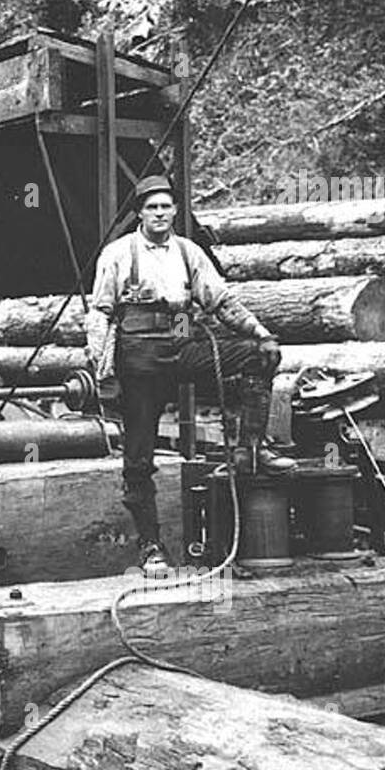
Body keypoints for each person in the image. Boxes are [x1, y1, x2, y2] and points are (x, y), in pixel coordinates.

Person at [85, 174, 293, 575]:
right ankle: (151, 547)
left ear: (176, 211)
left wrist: (261, 333)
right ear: (139, 214)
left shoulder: (188, 252)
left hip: (181, 345)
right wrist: (104, 370)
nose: (160, 214)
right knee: (138, 458)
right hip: (139, 357)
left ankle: (250, 449)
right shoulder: (118, 253)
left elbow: (221, 301)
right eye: (152, 208)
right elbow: (100, 315)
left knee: (259, 357)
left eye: (166, 206)